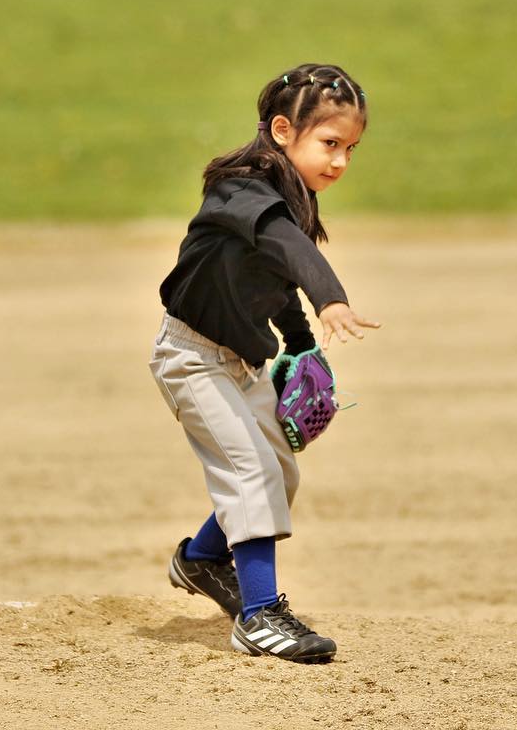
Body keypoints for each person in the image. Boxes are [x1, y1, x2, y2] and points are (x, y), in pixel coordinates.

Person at [150, 63, 380, 662]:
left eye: (351, 148)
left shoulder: (292, 200)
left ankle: (201, 559)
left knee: (279, 470)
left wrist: (302, 348)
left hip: (243, 362)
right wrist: (332, 298)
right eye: (330, 144)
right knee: (248, 472)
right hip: (191, 358)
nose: (341, 162)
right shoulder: (242, 191)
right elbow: (287, 249)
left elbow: (276, 284)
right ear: (282, 130)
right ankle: (258, 616)